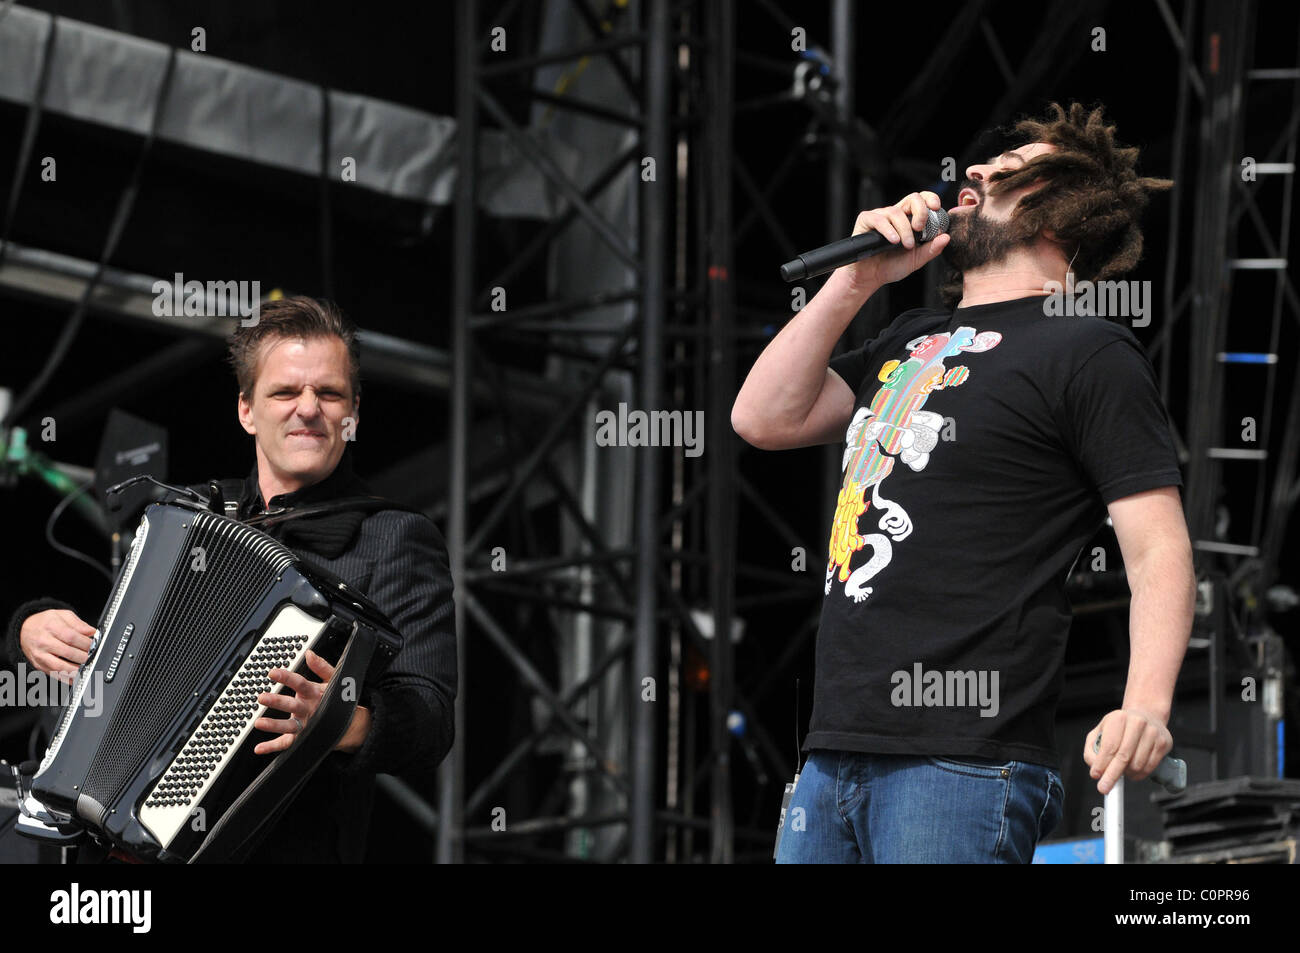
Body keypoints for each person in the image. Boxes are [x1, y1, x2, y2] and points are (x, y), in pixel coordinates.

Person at [734, 102, 1195, 863]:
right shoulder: (908, 336)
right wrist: (854, 284)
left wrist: (1145, 703)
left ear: (1061, 211)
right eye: (983, 165)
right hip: (832, 752)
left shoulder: (1087, 351)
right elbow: (761, 416)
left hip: (962, 758)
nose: (975, 171)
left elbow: (1156, 549)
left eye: (1009, 173)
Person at [4, 296, 456, 863]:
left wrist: (339, 718)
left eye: (330, 393)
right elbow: (115, 651)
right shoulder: (187, 520)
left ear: (353, 413)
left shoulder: (394, 536)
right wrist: (31, 628)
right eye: (286, 392)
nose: (309, 409)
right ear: (247, 410)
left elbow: (431, 719)